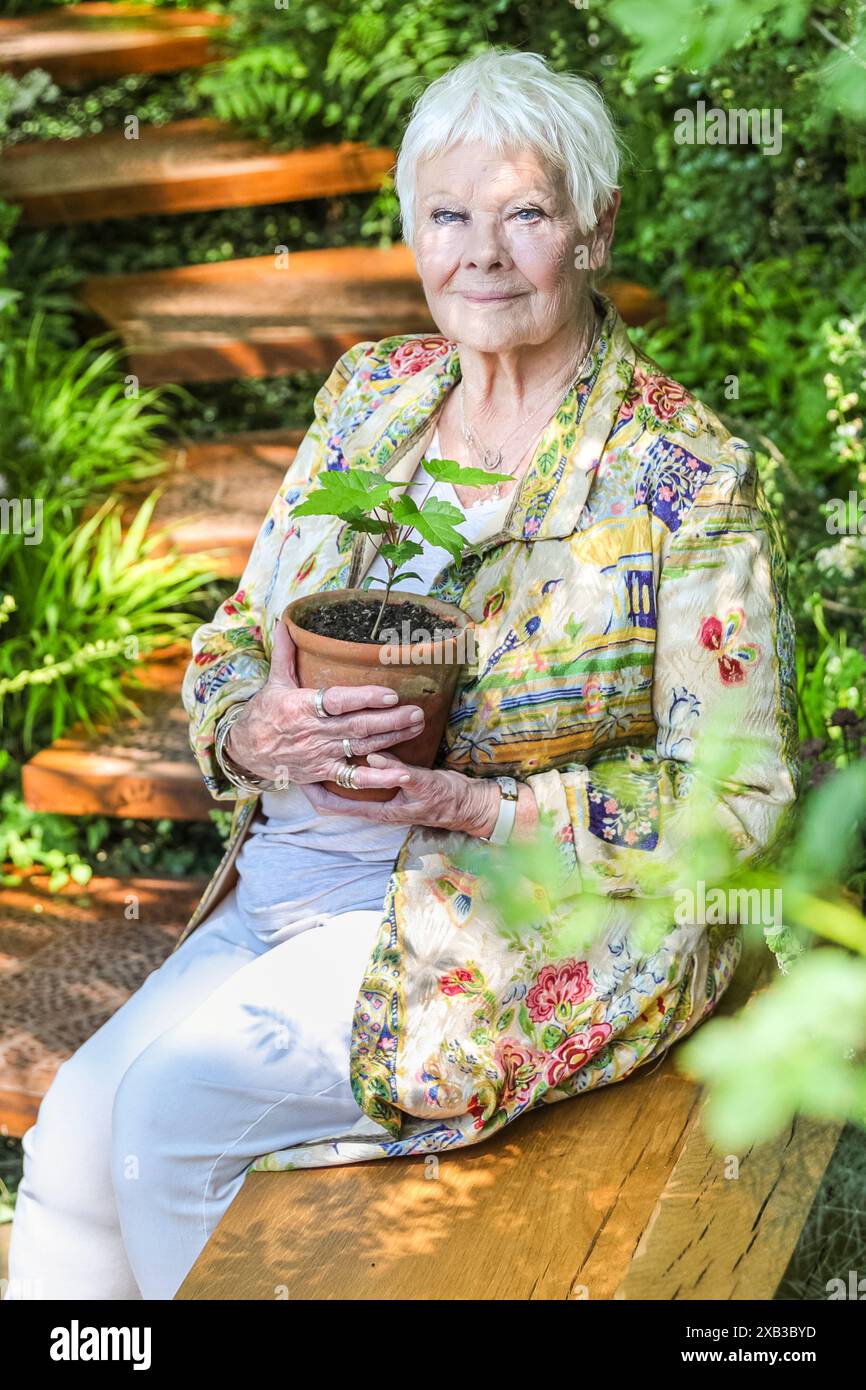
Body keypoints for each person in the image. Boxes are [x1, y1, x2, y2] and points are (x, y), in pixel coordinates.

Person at [7, 47, 799, 1302]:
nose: (481, 252)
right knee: (66, 1150)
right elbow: (230, 637)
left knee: (168, 1114)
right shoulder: (370, 393)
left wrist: (470, 804)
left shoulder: (679, 476)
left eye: (524, 214)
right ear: (409, 229)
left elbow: (741, 806)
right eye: (448, 213)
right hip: (294, 870)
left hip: (501, 907)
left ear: (593, 231)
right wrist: (254, 732)